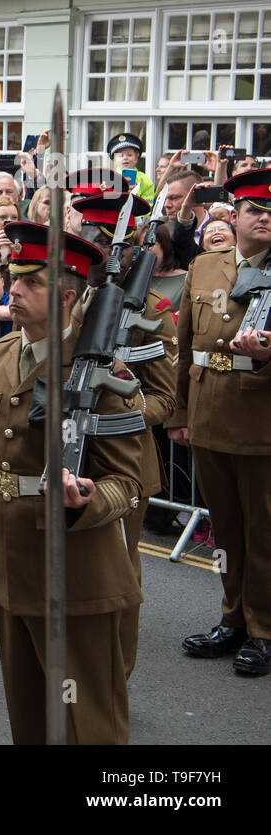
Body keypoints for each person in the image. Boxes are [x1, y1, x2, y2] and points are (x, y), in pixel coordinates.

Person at [0, 221, 146, 742]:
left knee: (86, 722)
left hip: (76, 573)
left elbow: (130, 481)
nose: (15, 290)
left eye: (31, 282)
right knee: (29, 718)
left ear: (68, 296)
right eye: (14, 278)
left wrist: (88, 499)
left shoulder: (102, 372)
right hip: (10, 563)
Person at [168, 168, 271, 677]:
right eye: (255, 208)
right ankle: (232, 617)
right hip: (209, 416)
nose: (264, 217)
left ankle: (265, 629)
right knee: (226, 530)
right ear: (236, 215)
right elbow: (185, 346)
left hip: (261, 423)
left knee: (264, 532)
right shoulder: (205, 267)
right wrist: (179, 413)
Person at [70, 192, 178, 679]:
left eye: (109, 243)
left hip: (125, 459)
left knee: (118, 573)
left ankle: (115, 676)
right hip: (66, 445)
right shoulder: (71, 296)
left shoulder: (151, 309)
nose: (98, 253)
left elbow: (165, 400)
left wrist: (119, 410)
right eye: (89, 240)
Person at [107, 131, 155, 202]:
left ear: (136, 158)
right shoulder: (108, 179)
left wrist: (135, 194)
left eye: (129, 155)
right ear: (114, 160)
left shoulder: (145, 180)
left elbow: (148, 207)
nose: (125, 158)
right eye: (120, 155)